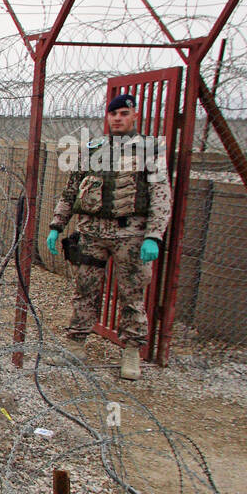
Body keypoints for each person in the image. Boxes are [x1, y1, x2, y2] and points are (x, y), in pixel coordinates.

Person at [46, 93, 173, 380]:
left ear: (134, 116)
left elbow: (160, 196)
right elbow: (71, 190)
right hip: (91, 232)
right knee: (85, 290)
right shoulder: (92, 149)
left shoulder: (148, 151)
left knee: (131, 293)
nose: (117, 118)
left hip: (130, 235)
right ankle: (76, 341)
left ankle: (131, 351)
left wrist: (154, 235)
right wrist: (57, 225)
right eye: (113, 114)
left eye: (124, 113)